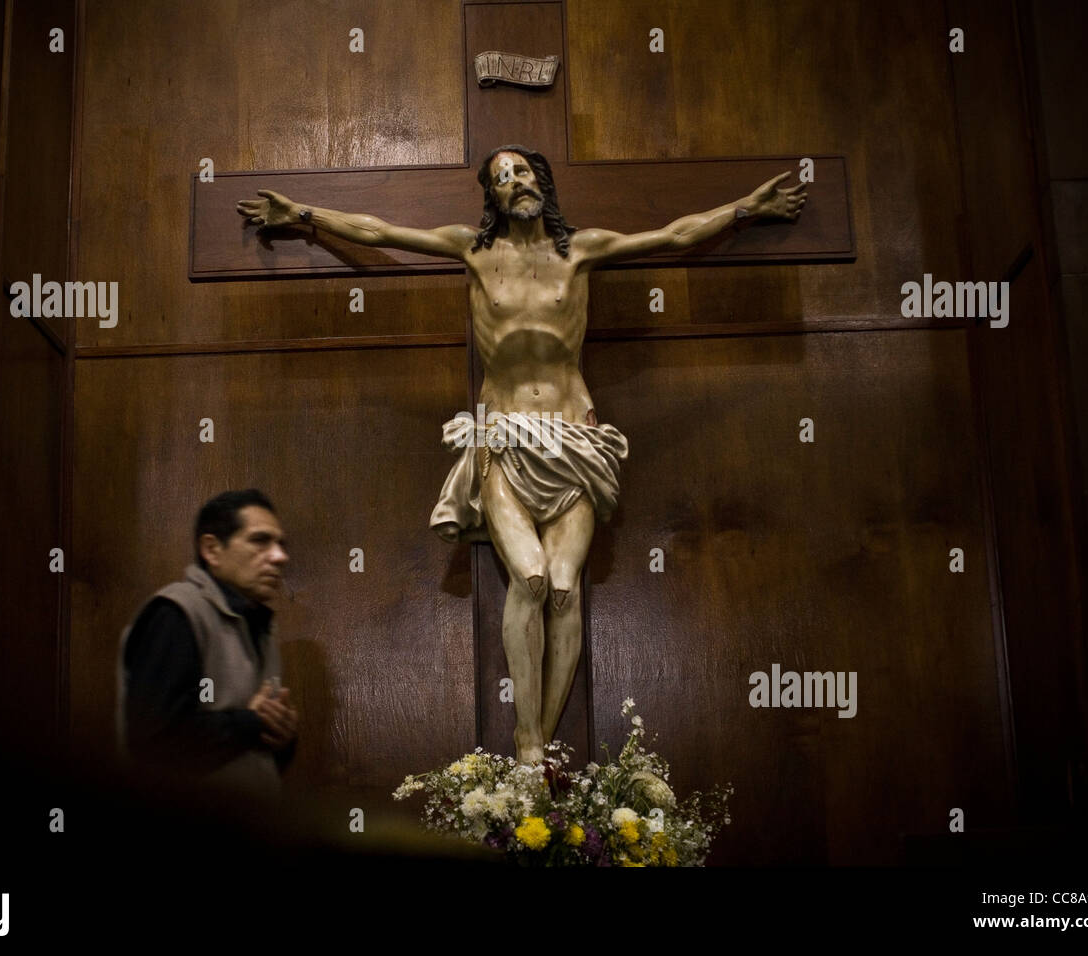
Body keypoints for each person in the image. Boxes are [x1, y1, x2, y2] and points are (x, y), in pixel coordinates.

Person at [238, 147, 805, 762]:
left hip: (573, 437)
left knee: (564, 588)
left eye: (522, 172)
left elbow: (671, 237)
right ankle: (527, 739)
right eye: (502, 178)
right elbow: (380, 232)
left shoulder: (581, 251)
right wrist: (300, 213)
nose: (515, 182)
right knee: (530, 580)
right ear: (493, 197)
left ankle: (545, 739)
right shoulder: (472, 250)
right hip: (505, 435)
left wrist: (748, 207)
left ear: (542, 182)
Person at [117, 488, 298, 805]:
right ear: (212, 549)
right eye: (260, 541)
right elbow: (152, 744)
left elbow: (252, 754)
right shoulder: (176, 612)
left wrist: (281, 736)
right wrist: (251, 723)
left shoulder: (260, 624)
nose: (280, 556)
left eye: (281, 544)